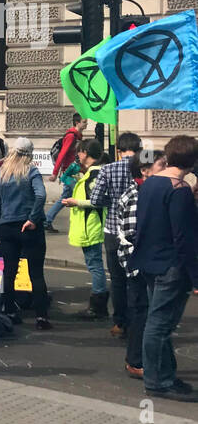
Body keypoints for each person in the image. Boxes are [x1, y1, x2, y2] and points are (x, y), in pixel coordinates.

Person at [128, 135, 198, 401]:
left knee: (161, 323)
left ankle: (166, 374)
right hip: (171, 265)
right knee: (159, 324)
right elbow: (184, 238)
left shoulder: (151, 183)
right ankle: (157, 381)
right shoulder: (178, 189)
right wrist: (195, 277)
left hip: (148, 260)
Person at [0, 137, 52, 329]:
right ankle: (41, 318)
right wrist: (33, 218)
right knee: (36, 273)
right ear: (29, 154)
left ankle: (10, 311)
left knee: (9, 272)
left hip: (7, 226)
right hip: (28, 227)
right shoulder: (31, 171)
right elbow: (41, 195)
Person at [117, 152, 166, 380]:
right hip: (138, 264)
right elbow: (132, 234)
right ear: (145, 171)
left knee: (148, 311)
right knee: (142, 311)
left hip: (145, 262)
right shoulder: (137, 195)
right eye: (161, 165)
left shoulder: (147, 191)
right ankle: (135, 361)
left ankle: (147, 360)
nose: (165, 169)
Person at [90, 132, 142, 337]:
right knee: (137, 279)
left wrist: (111, 203)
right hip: (138, 229)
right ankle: (138, 319)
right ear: (139, 149)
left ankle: (120, 322)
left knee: (118, 279)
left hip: (113, 230)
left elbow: (95, 199)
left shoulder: (108, 169)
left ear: (118, 150)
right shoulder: (143, 167)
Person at [62, 138, 107, 320]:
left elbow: (99, 201)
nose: (77, 156)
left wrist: (76, 202)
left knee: (95, 265)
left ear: (86, 153)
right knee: (93, 264)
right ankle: (98, 304)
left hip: (91, 228)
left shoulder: (96, 176)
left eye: (79, 152)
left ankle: (98, 306)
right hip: (89, 227)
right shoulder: (90, 174)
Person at [44, 114, 85, 231]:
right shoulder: (71, 136)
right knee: (77, 196)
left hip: (72, 170)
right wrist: (55, 172)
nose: (86, 124)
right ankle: (48, 220)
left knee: (66, 197)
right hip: (69, 172)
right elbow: (62, 154)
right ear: (77, 123)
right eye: (84, 122)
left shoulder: (77, 136)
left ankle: (47, 219)